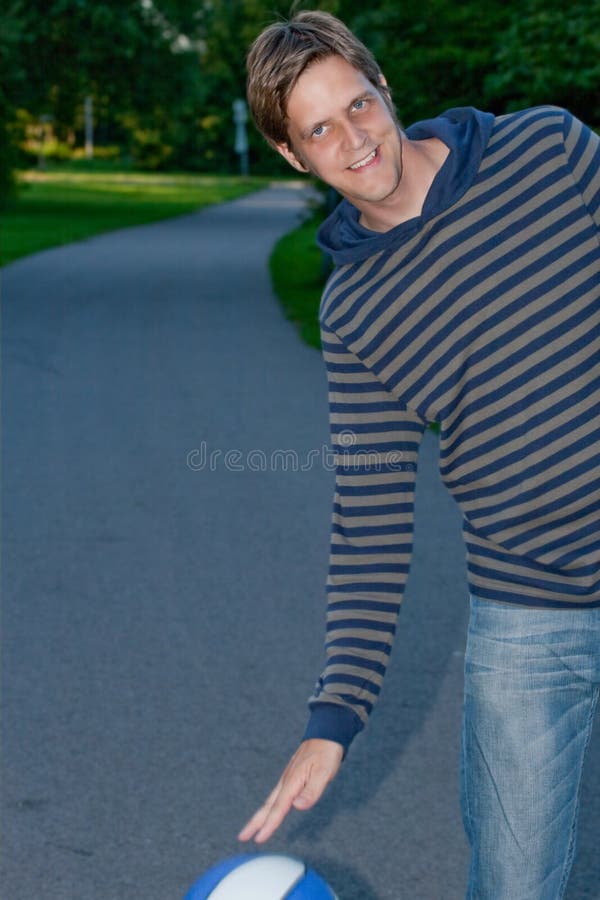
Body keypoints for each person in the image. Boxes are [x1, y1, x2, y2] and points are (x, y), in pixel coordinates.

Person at [238, 10, 600, 898]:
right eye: (318, 129)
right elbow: (370, 522)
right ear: (293, 156)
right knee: (517, 884)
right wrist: (334, 717)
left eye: (357, 105)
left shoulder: (547, 152)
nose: (353, 138)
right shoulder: (354, 315)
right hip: (533, 609)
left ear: (384, 88)